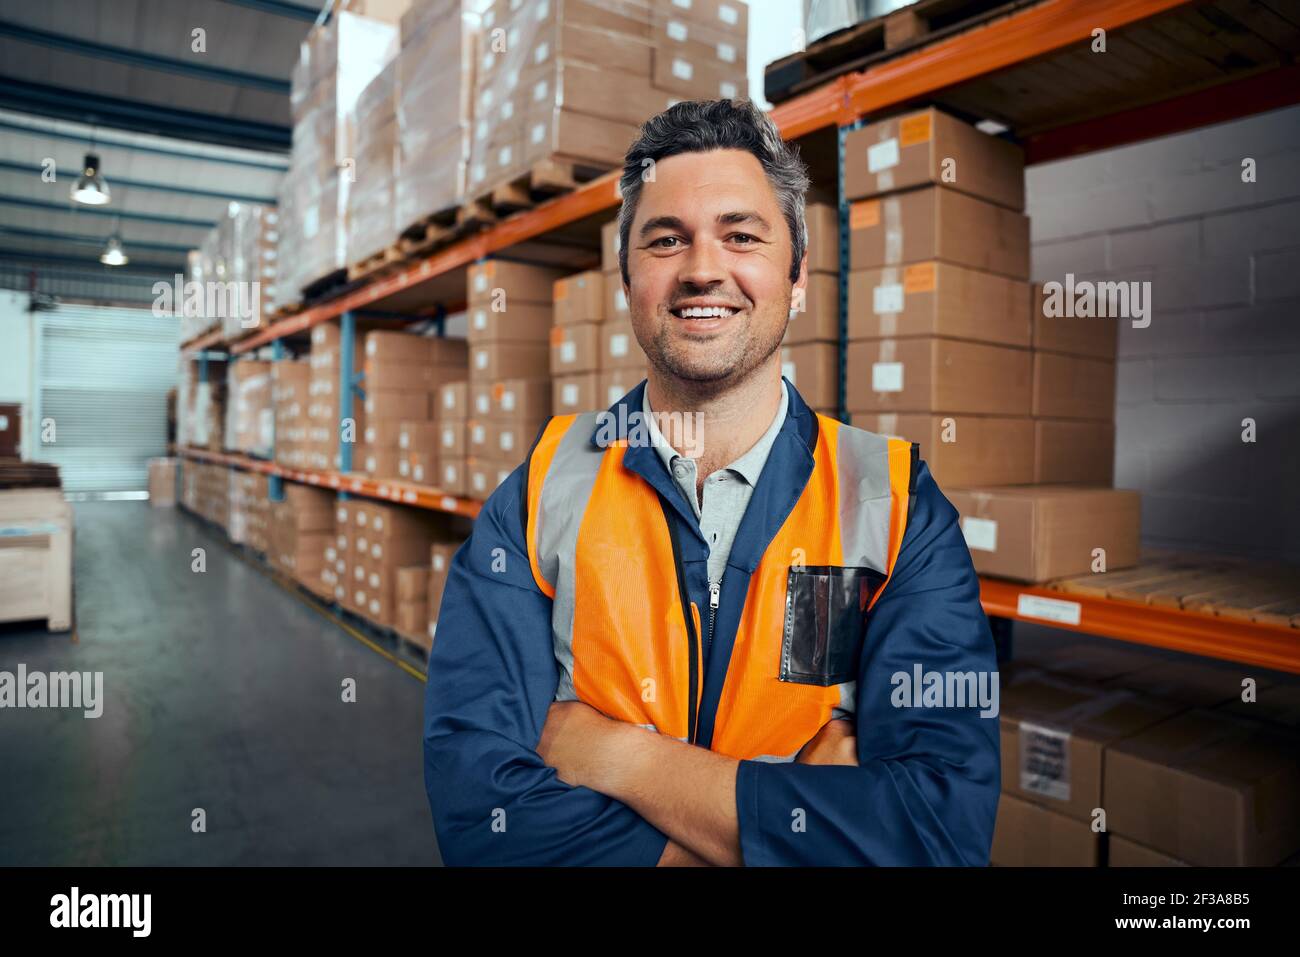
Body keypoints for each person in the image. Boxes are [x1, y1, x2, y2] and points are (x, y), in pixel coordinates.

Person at [423, 99, 1000, 866]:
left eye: (742, 235)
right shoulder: (543, 489)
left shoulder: (894, 504)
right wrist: (792, 820)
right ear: (627, 280)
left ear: (796, 277)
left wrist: (621, 758)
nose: (702, 267)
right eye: (666, 239)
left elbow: (938, 833)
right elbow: (480, 815)